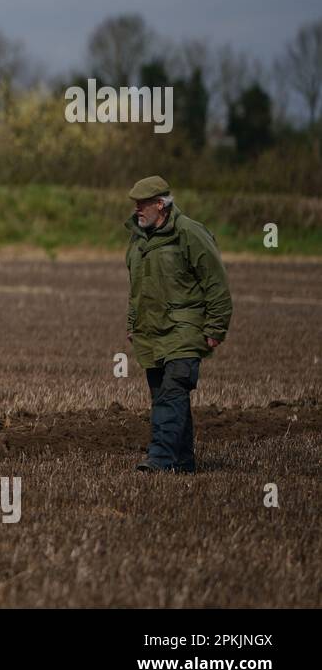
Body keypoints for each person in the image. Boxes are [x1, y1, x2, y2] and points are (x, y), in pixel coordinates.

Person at [125, 176, 232, 473]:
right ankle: (182, 462)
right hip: (151, 331)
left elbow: (216, 283)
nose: (137, 210)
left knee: (172, 393)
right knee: (165, 396)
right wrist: (132, 324)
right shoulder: (138, 239)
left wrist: (215, 327)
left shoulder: (190, 233)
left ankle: (159, 459)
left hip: (184, 330)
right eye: (135, 205)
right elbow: (136, 288)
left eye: (142, 204)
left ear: (161, 204)